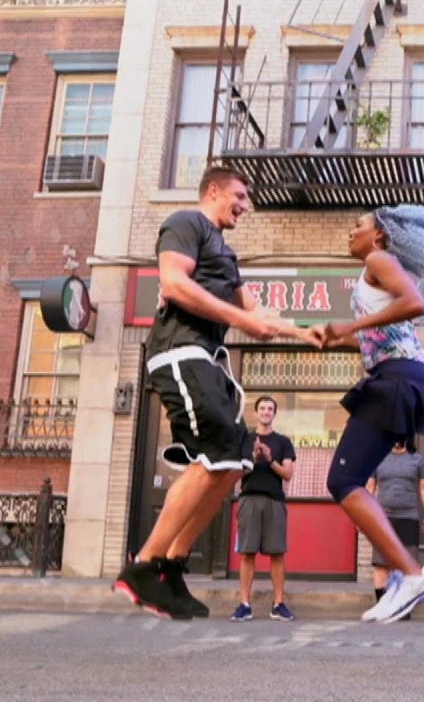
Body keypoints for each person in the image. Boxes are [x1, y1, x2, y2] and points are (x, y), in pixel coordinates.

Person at [113, 166, 306, 621]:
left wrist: (311, 333)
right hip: (179, 352)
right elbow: (175, 285)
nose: (246, 205)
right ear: (214, 190)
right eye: (240, 194)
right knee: (214, 458)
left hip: (206, 359)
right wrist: (244, 322)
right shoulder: (186, 223)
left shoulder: (227, 253)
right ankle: (143, 566)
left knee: (236, 460)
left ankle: (173, 565)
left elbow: (257, 313)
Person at [305, 204, 424, 624]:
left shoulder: (378, 260)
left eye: (359, 226)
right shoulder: (370, 277)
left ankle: (412, 573)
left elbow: (415, 303)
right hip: (402, 379)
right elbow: (380, 335)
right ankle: (404, 575)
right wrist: (336, 338)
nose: (351, 232)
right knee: (349, 480)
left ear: (380, 236)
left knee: (344, 480)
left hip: (398, 380)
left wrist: (350, 327)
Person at [230, 396, 298, 622]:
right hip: (248, 499)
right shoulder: (245, 439)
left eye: (270, 409)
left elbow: (288, 474)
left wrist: (269, 460)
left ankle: (278, 604)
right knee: (247, 553)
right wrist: (253, 457)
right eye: (262, 408)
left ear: (274, 414)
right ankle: (244, 604)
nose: (266, 412)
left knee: (277, 553)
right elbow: (234, 474)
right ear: (256, 412)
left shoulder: (283, 442)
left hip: (275, 501)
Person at [367, 441, 424, 620]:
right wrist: (365, 515)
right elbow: (370, 488)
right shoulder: (378, 458)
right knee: (381, 565)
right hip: (383, 518)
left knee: (408, 565)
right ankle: (382, 605)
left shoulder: (417, 460)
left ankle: (402, 606)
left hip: (409, 517)